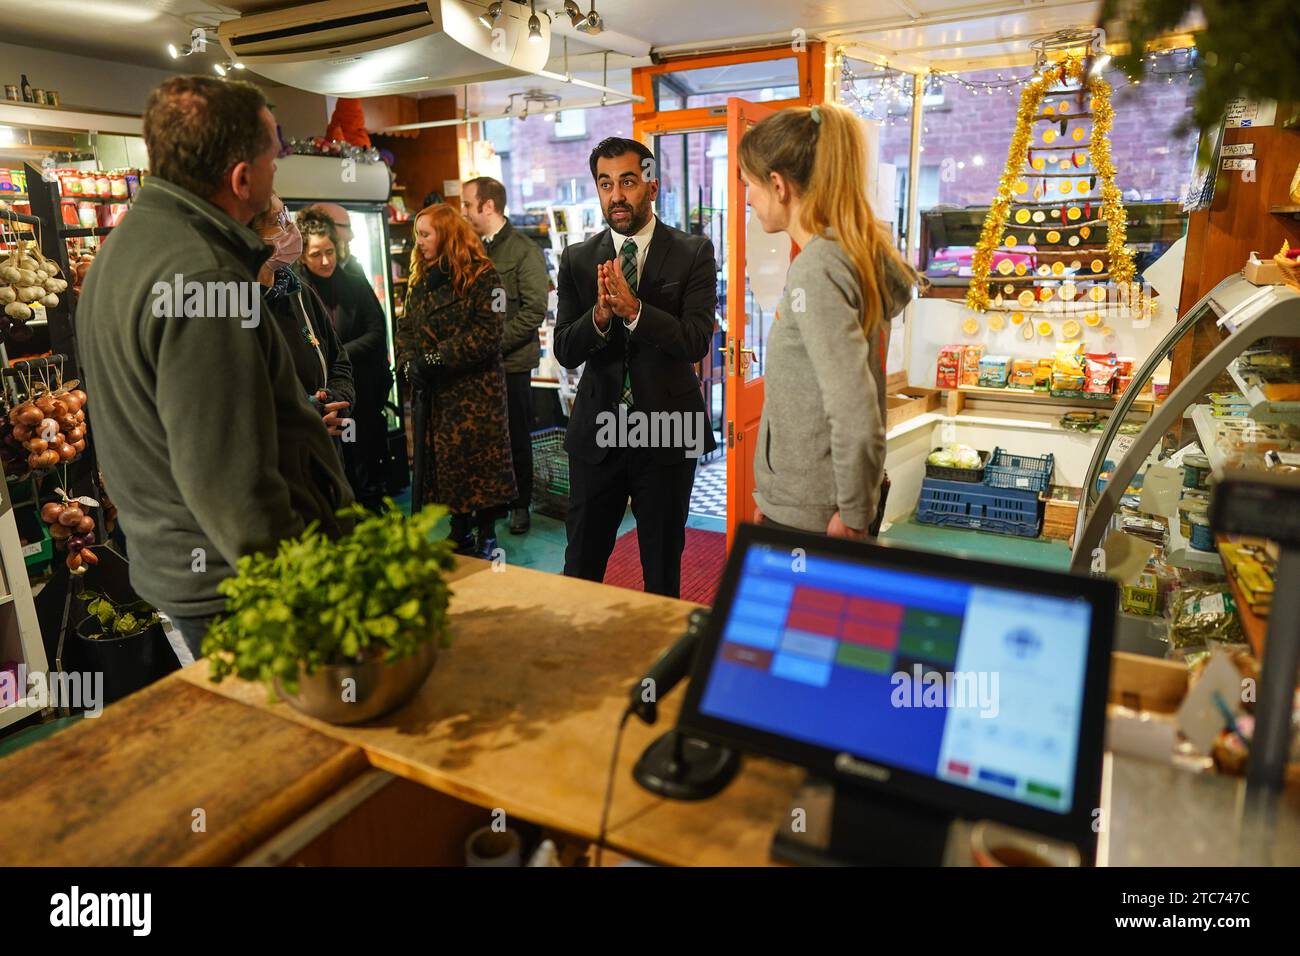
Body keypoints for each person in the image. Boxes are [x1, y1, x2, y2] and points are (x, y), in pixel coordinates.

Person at [77, 76, 354, 657]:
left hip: (193, 571)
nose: (278, 171)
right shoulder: (203, 278)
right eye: (273, 157)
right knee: (292, 743)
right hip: (242, 589)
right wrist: (301, 589)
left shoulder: (125, 248)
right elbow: (231, 476)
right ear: (241, 177)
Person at [739, 103, 916, 538]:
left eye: (750, 185)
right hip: (808, 504)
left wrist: (853, 515)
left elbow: (854, 404)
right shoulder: (844, 255)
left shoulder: (819, 267)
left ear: (778, 186)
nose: (747, 198)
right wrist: (778, 499)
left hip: (822, 515)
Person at [553, 137, 717, 599]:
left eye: (627, 181)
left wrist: (636, 311)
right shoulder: (579, 259)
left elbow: (695, 341)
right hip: (599, 430)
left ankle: (659, 666)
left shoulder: (693, 252)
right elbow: (565, 348)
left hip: (666, 429)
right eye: (605, 184)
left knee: (661, 567)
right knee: (581, 563)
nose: (616, 195)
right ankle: (576, 661)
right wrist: (600, 318)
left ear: (652, 186)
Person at [396, 203, 516, 557]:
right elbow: (405, 328)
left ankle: (487, 531)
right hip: (438, 396)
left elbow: (489, 333)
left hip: (476, 395)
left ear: (447, 235)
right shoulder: (419, 279)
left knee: (481, 467)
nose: (417, 242)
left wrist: (435, 358)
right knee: (447, 469)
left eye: (425, 234)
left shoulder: (485, 276)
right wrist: (407, 363)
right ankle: (459, 527)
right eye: (417, 234)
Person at [460, 176, 549, 535]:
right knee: (484, 439)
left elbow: (533, 311)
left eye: (468, 204)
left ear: (489, 206)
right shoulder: (470, 250)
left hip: (511, 364)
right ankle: (491, 504)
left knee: (515, 438)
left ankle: (519, 505)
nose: (463, 211)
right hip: (475, 366)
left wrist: (489, 343)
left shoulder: (525, 251)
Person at [295, 208, 393, 512]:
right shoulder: (296, 291)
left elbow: (378, 330)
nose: (325, 261)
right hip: (321, 398)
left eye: (329, 252)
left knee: (365, 458)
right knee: (337, 465)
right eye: (316, 254)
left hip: (362, 390)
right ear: (302, 256)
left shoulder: (353, 279)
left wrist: (338, 357)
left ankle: (373, 510)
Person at [251, 194, 354, 447]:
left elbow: (339, 363)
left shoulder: (300, 292)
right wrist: (305, 412)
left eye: (287, 215)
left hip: (324, 455)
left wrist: (334, 402)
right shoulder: (230, 304)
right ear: (248, 235)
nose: (291, 229)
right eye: (278, 220)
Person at [303, 201, 367, 284]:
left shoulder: (353, 267)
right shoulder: (294, 284)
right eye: (346, 227)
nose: (351, 236)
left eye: (329, 252)